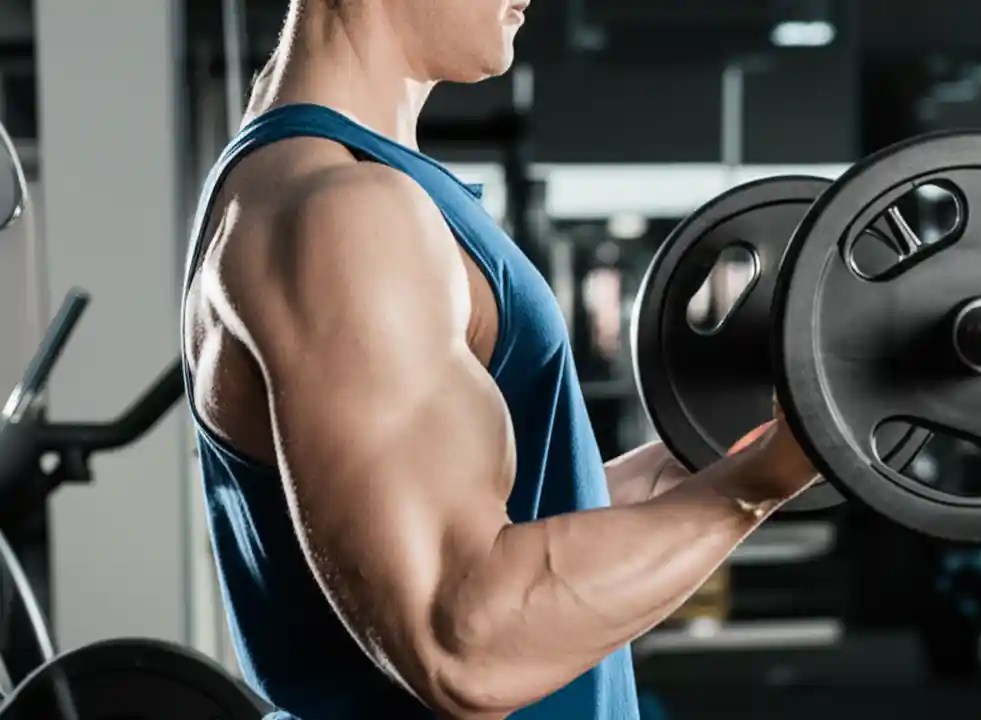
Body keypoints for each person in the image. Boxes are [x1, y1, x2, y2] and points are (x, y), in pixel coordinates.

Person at [179, 0, 819, 718]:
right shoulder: (345, 216)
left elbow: (536, 512)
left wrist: (729, 456)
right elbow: (462, 643)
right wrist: (760, 482)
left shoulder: (316, 182)